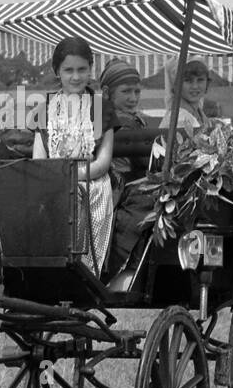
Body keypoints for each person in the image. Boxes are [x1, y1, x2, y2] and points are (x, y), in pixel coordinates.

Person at [33, 36, 114, 276]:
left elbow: (103, 162)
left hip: (92, 183)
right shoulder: (43, 108)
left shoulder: (102, 108)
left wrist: (75, 177)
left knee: (79, 200)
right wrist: (57, 180)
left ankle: (85, 273)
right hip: (53, 182)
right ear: (56, 71)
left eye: (82, 69)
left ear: (91, 68)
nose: (76, 77)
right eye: (68, 70)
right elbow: (39, 159)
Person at [98, 60, 152, 273]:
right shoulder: (120, 121)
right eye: (126, 91)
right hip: (118, 189)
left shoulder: (133, 119)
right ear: (107, 92)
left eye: (137, 91)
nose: (133, 98)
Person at [158, 57, 211, 141]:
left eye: (200, 80)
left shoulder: (199, 113)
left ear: (207, 83)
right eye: (188, 80)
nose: (195, 86)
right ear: (177, 85)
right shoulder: (179, 119)